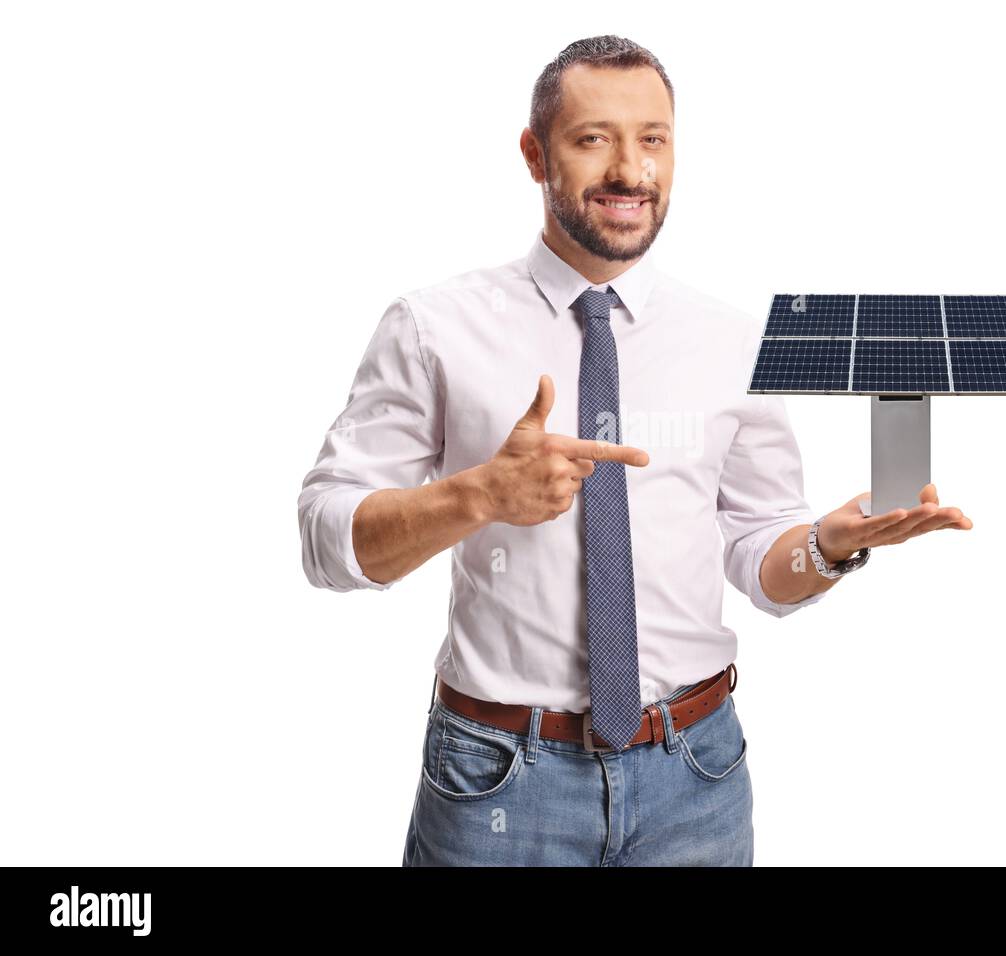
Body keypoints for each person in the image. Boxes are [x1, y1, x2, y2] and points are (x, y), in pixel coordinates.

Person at [297, 35, 972, 867]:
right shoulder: (435, 326)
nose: (629, 169)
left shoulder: (729, 340)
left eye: (652, 138)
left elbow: (762, 552)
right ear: (534, 154)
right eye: (594, 139)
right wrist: (477, 496)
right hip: (500, 779)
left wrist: (827, 547)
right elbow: (326, 541)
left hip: (697, 773)